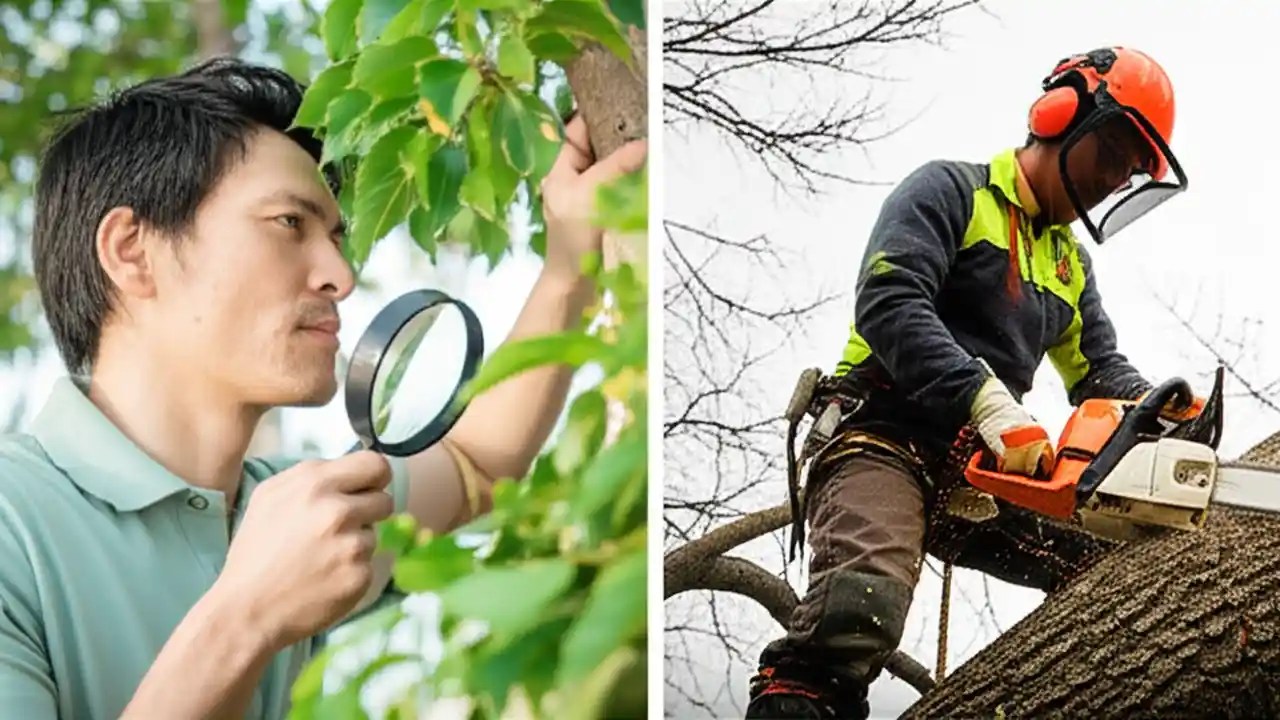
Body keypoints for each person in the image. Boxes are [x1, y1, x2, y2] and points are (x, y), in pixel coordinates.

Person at [0, 57, 645, 719]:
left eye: (338, 237)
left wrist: (570, 264)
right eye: (289, 224)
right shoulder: (13, 520)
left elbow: (477, 464)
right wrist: (246, 615)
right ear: (133, 251)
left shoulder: (285, 503)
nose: (339, 273)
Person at [745, 47, 1200, 720]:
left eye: (1131, 172)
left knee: (1109, 565)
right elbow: (889, 302)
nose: (1113, 180)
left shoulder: (1068, 264)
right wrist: (984, 397)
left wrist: (1159, 414)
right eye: (1114, 154)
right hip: (882, 433)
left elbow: (1098, 372)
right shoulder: (952, 192)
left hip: (981, 469)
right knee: (858, 607)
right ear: (1064, 113)